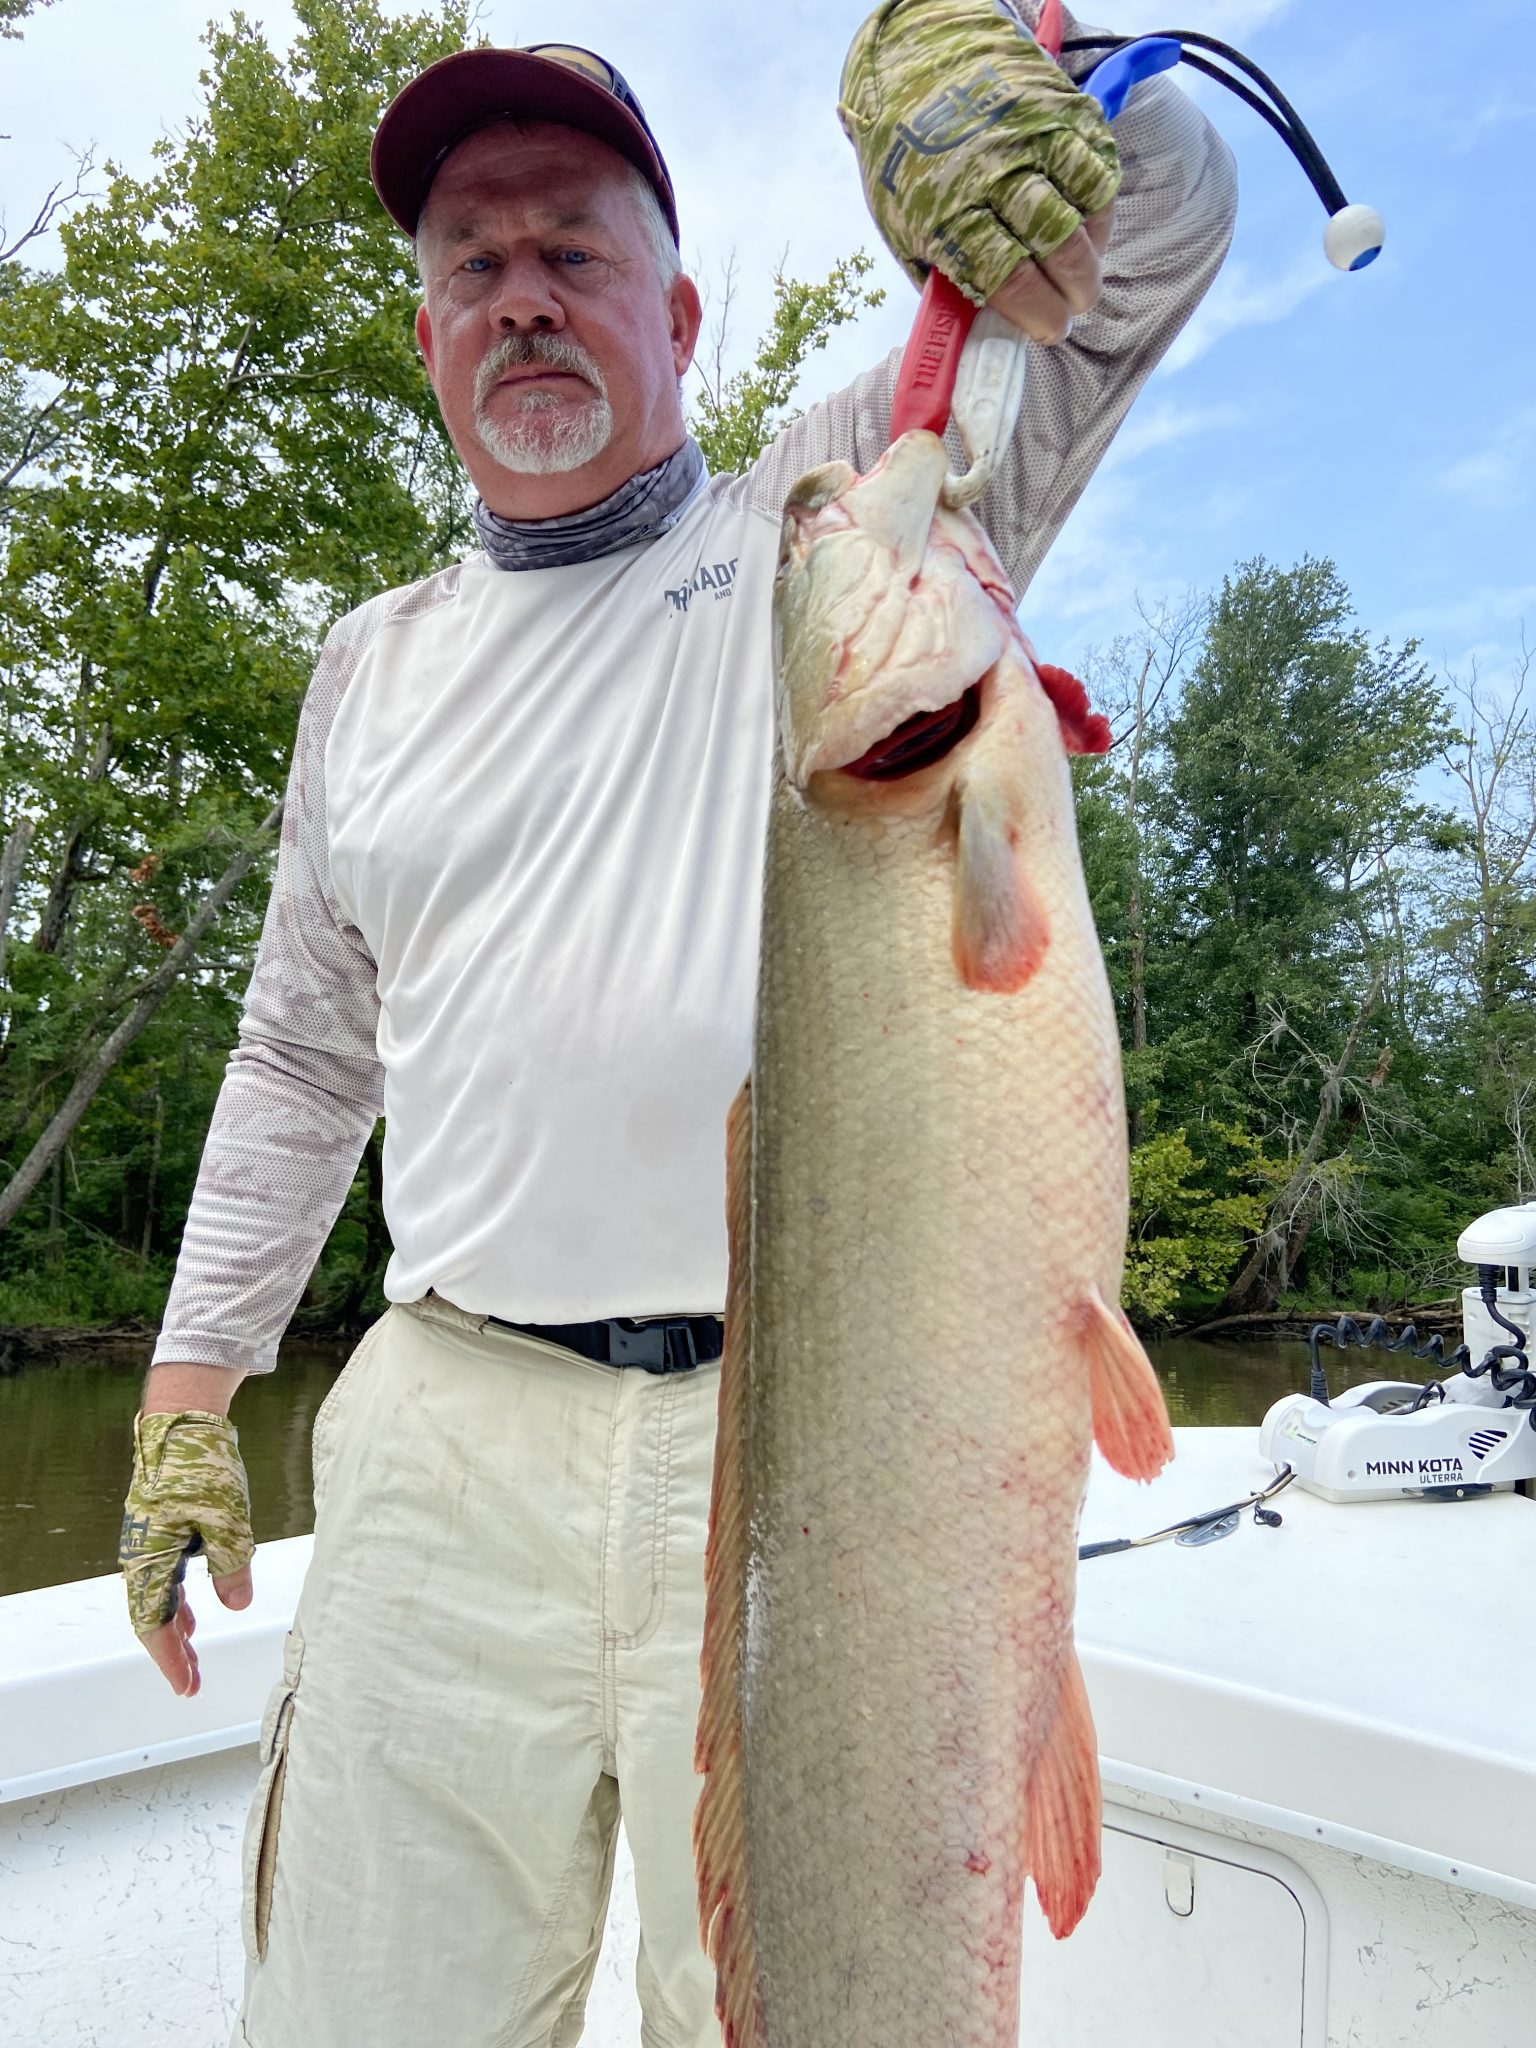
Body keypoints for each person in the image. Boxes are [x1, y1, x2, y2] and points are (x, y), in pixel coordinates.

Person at [116, 6, 1236, 2044]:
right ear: (428, 331)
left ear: (682, 308)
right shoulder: (367, 667)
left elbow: (1134, 258)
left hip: (806, 1417)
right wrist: (192, 1398)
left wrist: (1012, 109)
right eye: (474, 262)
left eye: (575, 251)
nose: (522, 299)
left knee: (804, 1985)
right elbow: (300, 1056)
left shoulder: (839, 510)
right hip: (447, 1427)